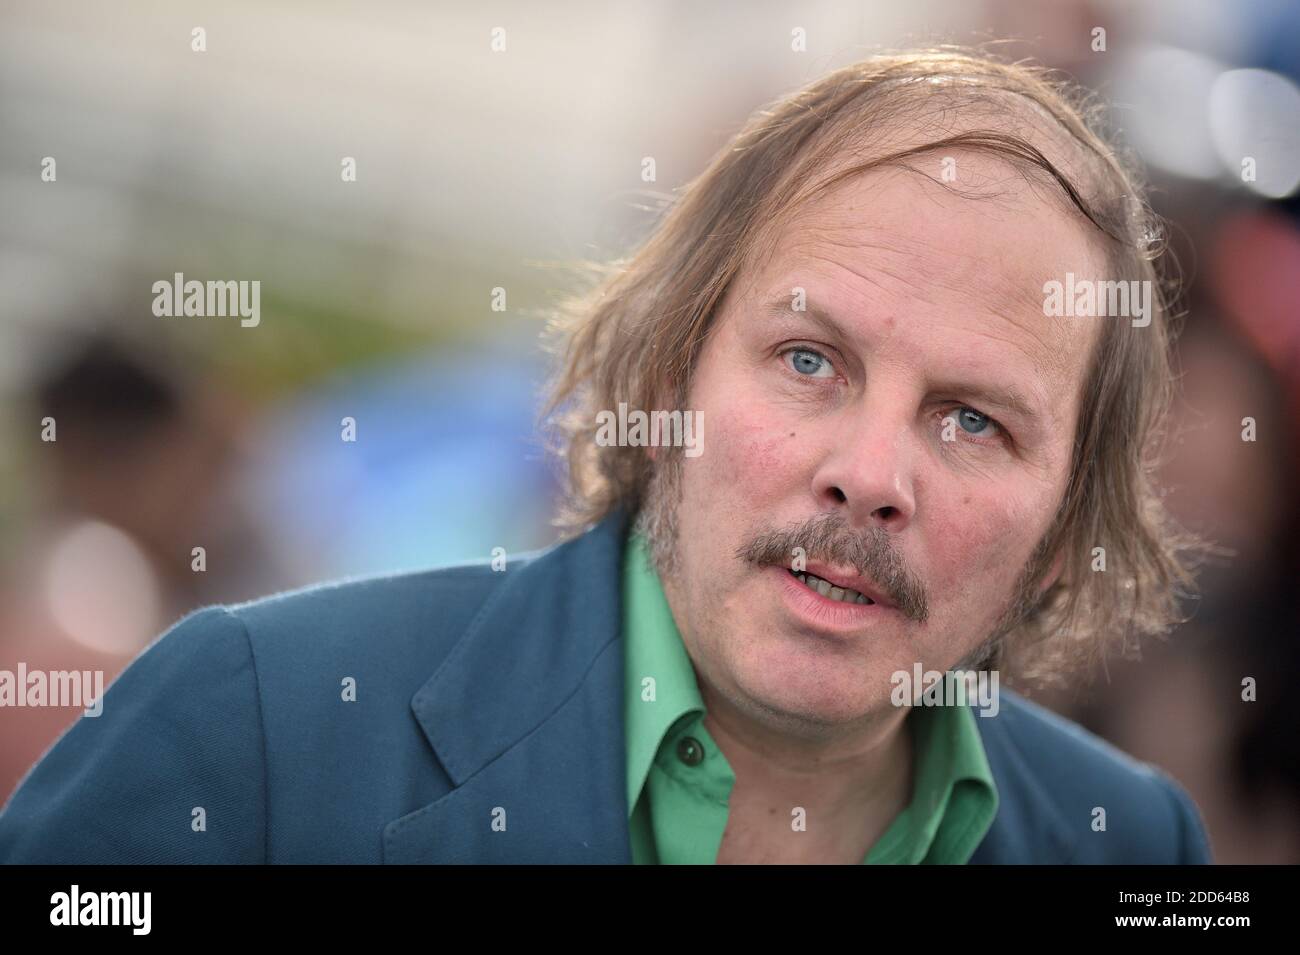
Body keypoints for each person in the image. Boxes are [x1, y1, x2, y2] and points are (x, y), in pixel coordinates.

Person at [0, 49, 1213, 864]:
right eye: (807, 361)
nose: (869, 472)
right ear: (664, 373)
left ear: (1065, 529)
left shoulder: (1134, 845)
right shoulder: (252, 723)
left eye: (972, 421)